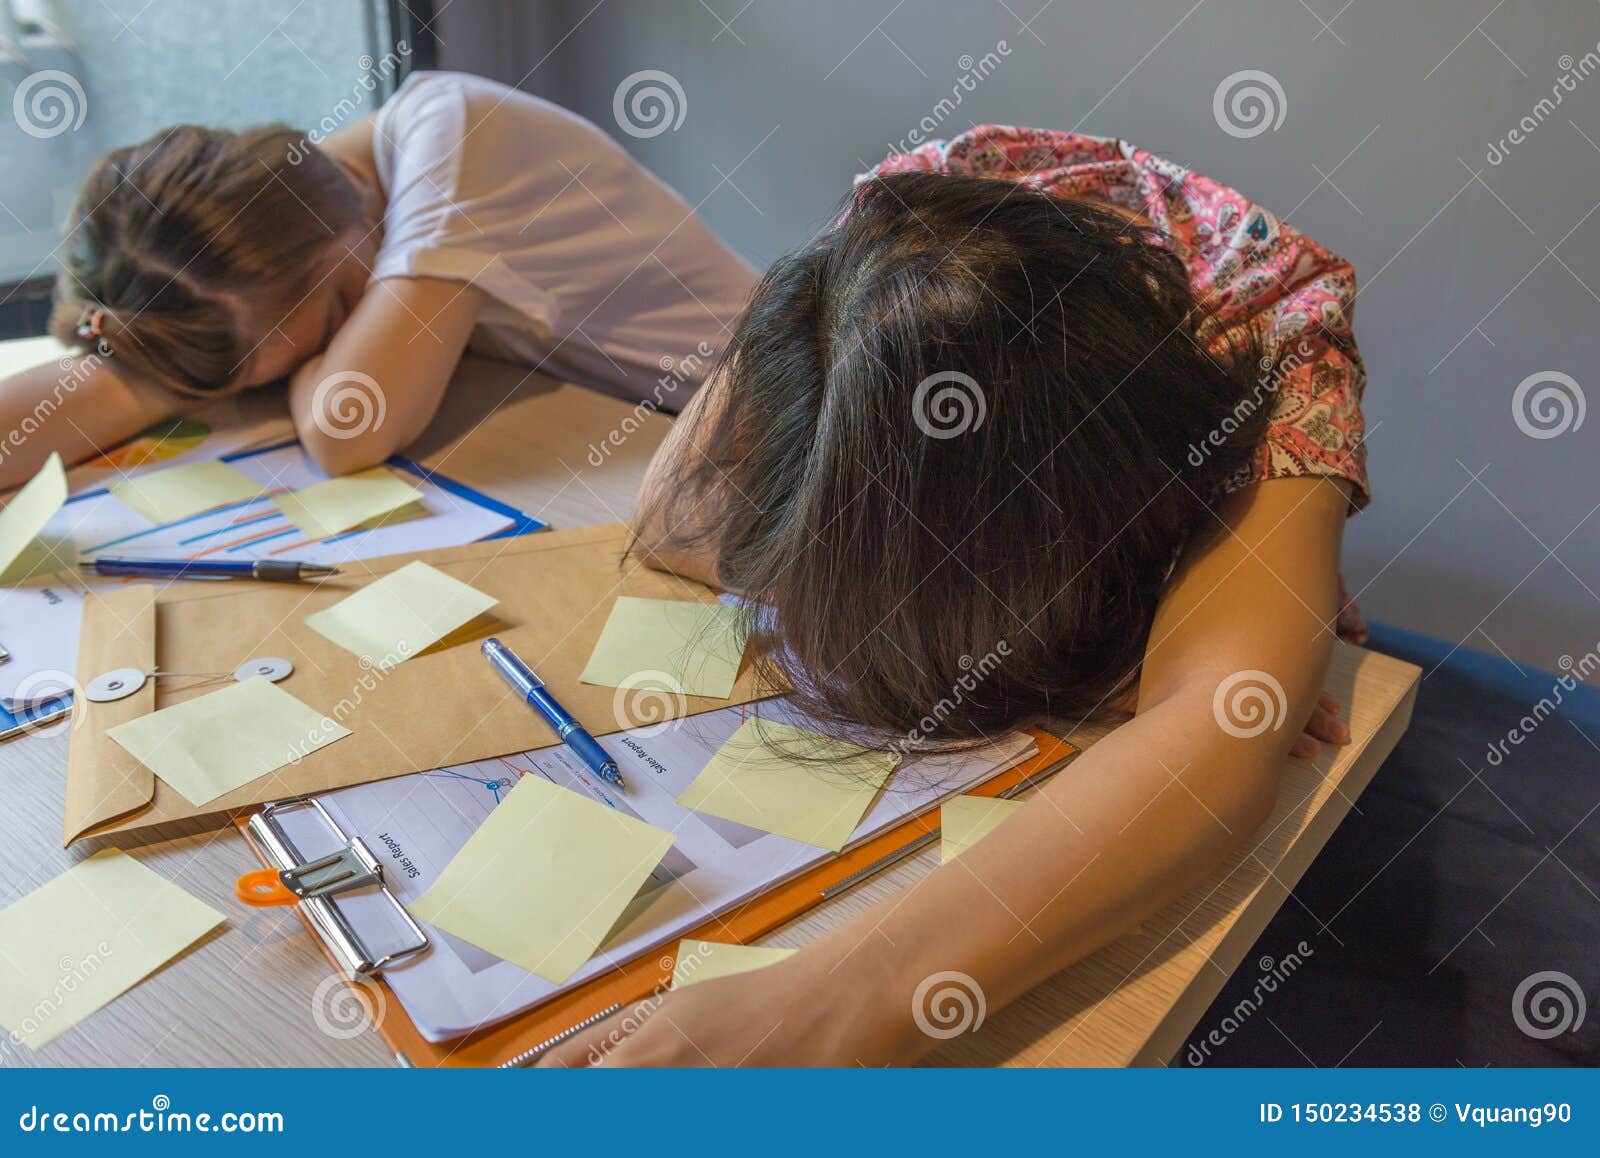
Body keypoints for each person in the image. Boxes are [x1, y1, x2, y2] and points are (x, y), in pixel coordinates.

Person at [547, 126, 1371, 1066]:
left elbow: (1216, 738)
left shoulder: (1270, 337)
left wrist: (827, 1009)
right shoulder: (881, 252)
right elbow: (676, 511)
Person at [0, 71, 756, 489]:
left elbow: (346, 428)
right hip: (631, 439)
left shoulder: (459, 137)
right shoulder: (304, 231)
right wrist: (198, 369)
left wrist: (298, 371)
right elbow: (117, 391)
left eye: (336, 320)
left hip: (784, 433)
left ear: (352, 217)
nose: (332, 351)